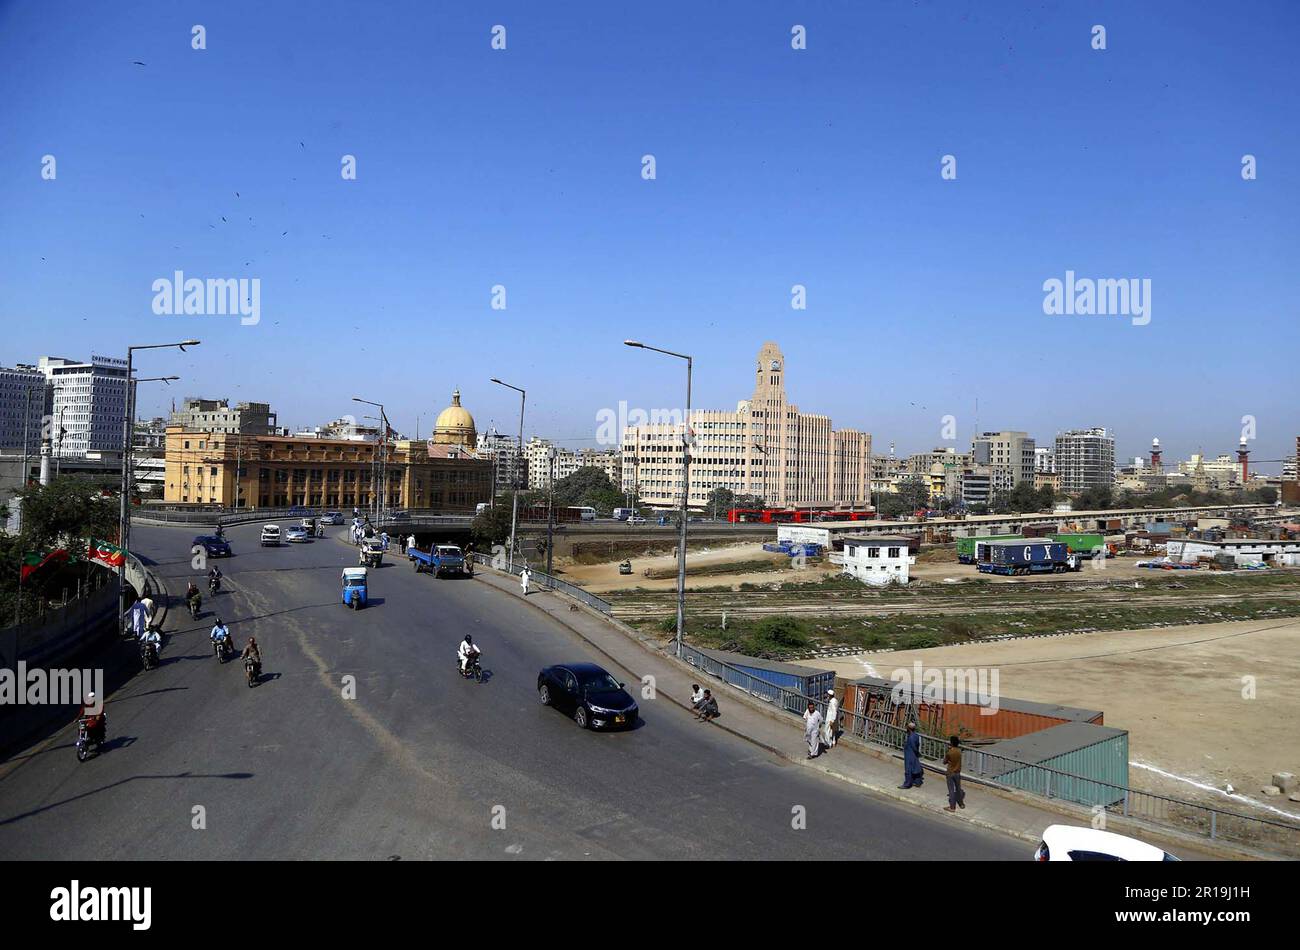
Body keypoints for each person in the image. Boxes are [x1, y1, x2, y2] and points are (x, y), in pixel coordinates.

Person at [899, 721, 924, 789]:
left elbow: (913, 747)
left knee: (908, 770)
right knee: (915, 768)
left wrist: (917, 753)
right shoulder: (916, 736)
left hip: (910, 755)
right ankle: (917, 782)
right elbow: (917, 745)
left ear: (908, 728)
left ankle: (907, 784)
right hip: (913, 755)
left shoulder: (911, 737)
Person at [944, 735, 966, 811]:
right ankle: (961, 804)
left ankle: (952, 807)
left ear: (951, 743)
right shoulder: (959, 751)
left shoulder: (950, 752)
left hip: (950, 772)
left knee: (951, 790)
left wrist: (948, 750)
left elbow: (944, 761)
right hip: (957, 772)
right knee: (958, 789)